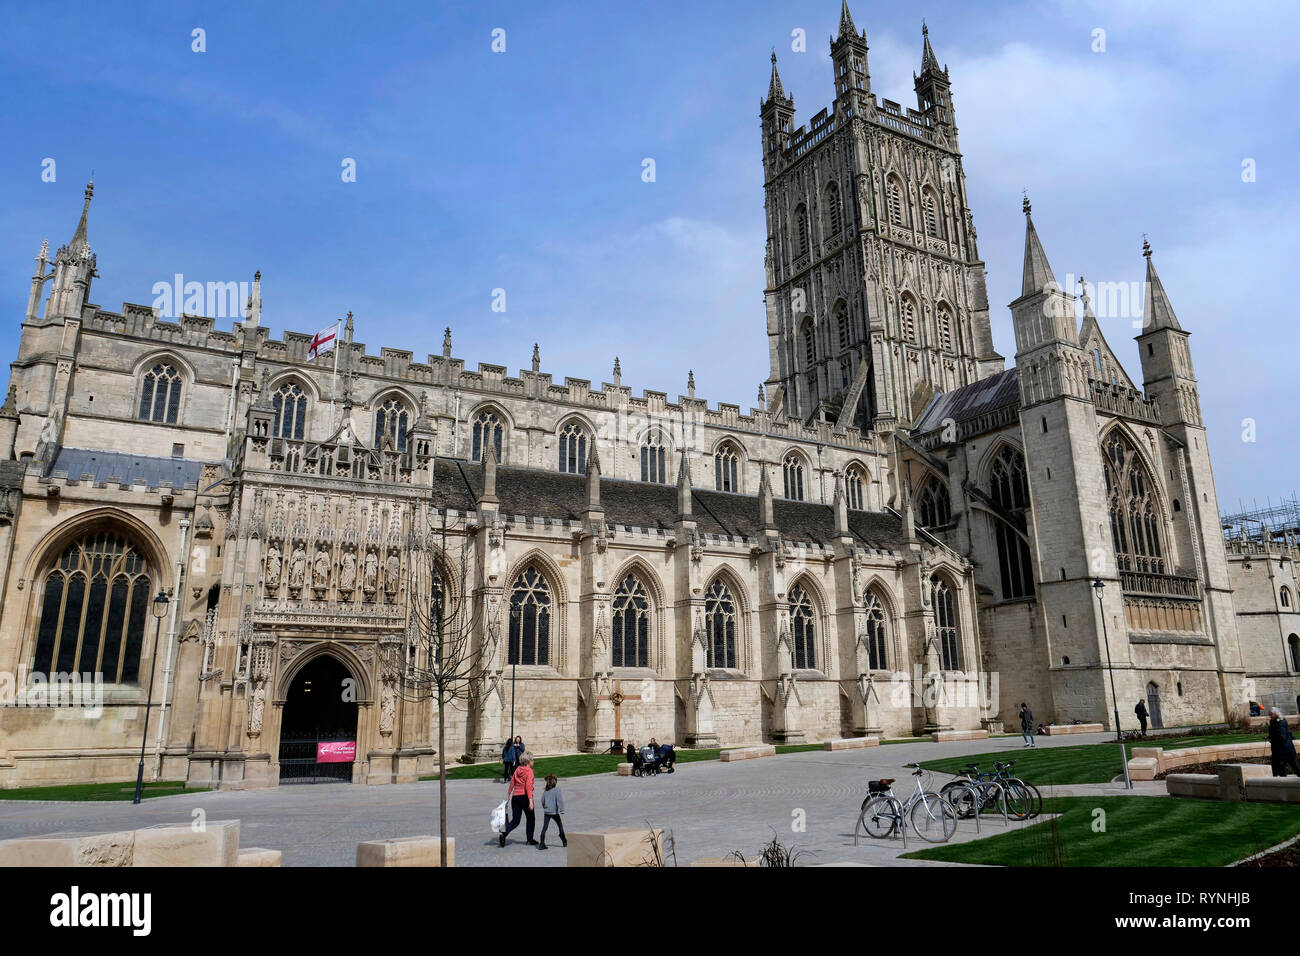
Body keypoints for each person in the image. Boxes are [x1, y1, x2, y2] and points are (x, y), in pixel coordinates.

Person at [500, 752, 537, 847]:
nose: (533, 761)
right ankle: (530, 839)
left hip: (515, 797)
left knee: (516, 820)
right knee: (531, 818)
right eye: (532, 760)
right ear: (528, 761)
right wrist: (530, 801)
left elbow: (512, 783)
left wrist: (508, 797)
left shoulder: (517, 769)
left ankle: (504, 834)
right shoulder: (529, 771)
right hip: (525, 797)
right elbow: (528, 786)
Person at [538, 773, 567, 850]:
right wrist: (562, 810)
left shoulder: (546, 790)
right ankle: (564, 841)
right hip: (554, 812)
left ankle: (541, 843)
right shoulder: (557, 789)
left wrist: (544, 806)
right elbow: (560, 800)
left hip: (547, 812)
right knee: (560, 826)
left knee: (544, 827)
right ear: (555, 781)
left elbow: (542, 800)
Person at [1268, 708, 1300, 777]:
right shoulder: (1273, 722)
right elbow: (1274, 733)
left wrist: (1273, 739)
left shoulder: (1281, 722)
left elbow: (1283, 736)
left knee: (1291, 764)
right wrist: (1270, 737)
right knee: (1279, 765)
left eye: (1271, 714)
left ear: (1276, 714)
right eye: (1269, 714)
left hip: (1284, 747)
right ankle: (1279, 778)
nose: (1270, 716)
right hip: (1278, 748)